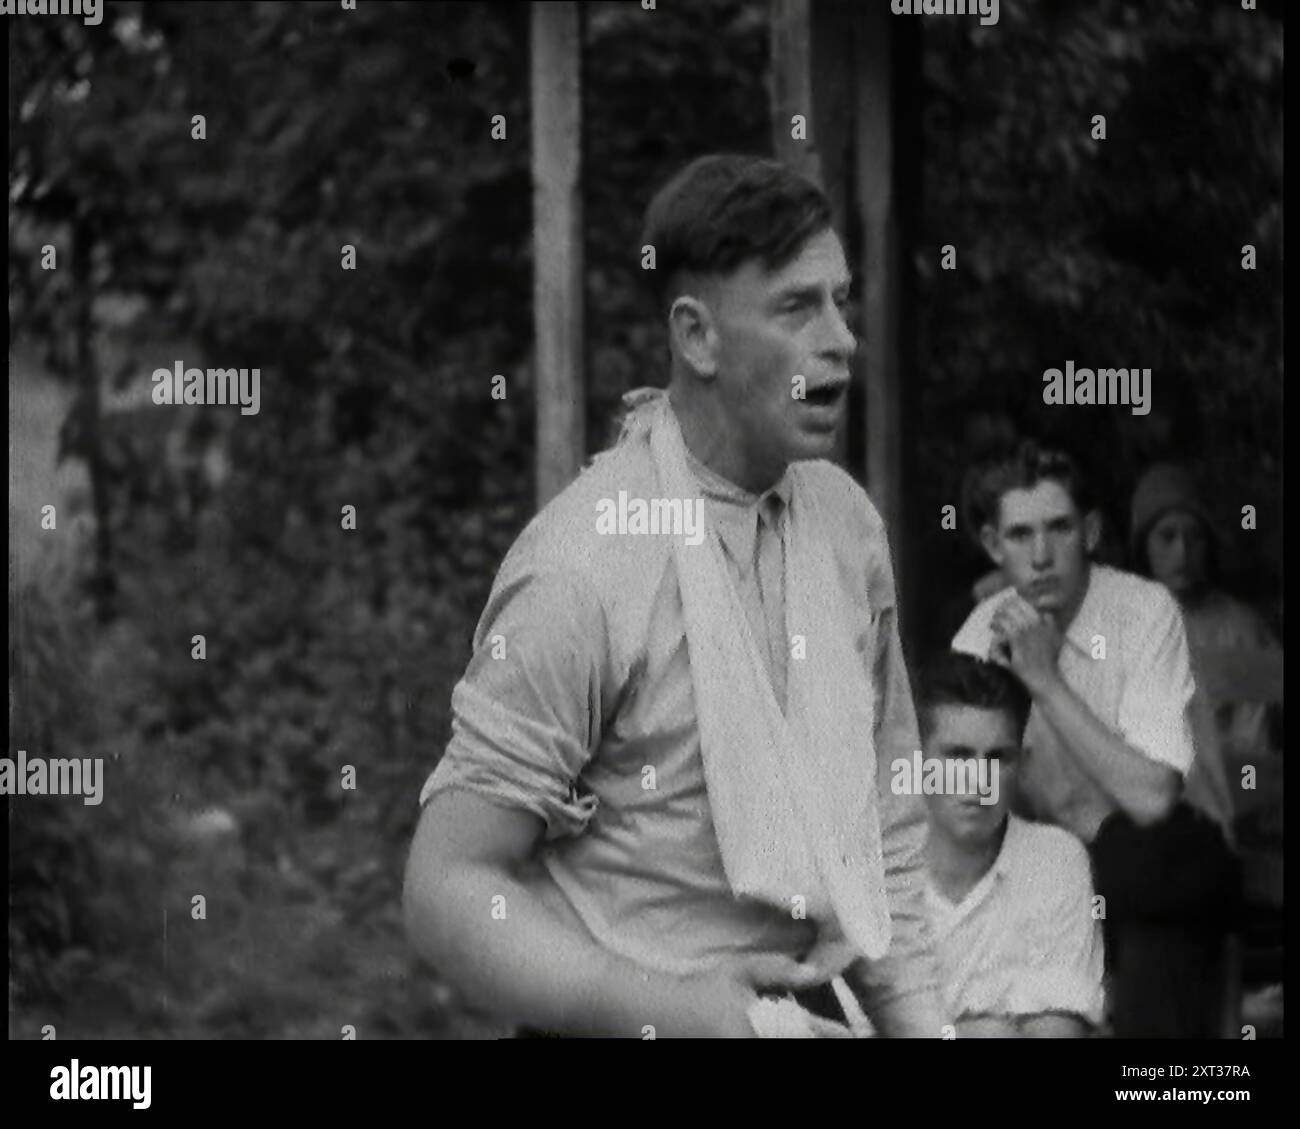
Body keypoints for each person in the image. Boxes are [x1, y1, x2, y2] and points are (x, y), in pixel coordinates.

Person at [402, 154, 944, 1038]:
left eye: (841, 300)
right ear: (697, 337)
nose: (843, 337)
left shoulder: (847, 527)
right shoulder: (584, 563)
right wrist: (667, 1010)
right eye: (798, 307)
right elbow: (448, 886)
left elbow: (887, 823)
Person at [951, 440, 1239, 1038]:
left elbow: (1154, 800)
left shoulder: (1143, 611)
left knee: (1136, 863)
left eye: (1058, 529)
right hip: (1064, 867)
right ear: (991, 546)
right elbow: (966, 794)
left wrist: (1041, 679)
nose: (1040, 555)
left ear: (1091, 531)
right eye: (1020, 535)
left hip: (1176, 856)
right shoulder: (983, 631)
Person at [917, 651, 1104, 1038]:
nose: (978, 781)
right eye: (958, 755)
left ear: (1019, 765)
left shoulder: (1054, 861)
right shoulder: (875, 870)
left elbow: (1059, 1033)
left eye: (998, 758)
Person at [1130, 463, 1279, 805]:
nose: (1181, 552)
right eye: (1166, 537)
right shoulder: (1122, 624)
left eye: (1193, 537)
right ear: (1145, 546)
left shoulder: (1242, 629)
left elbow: (1254, 752)